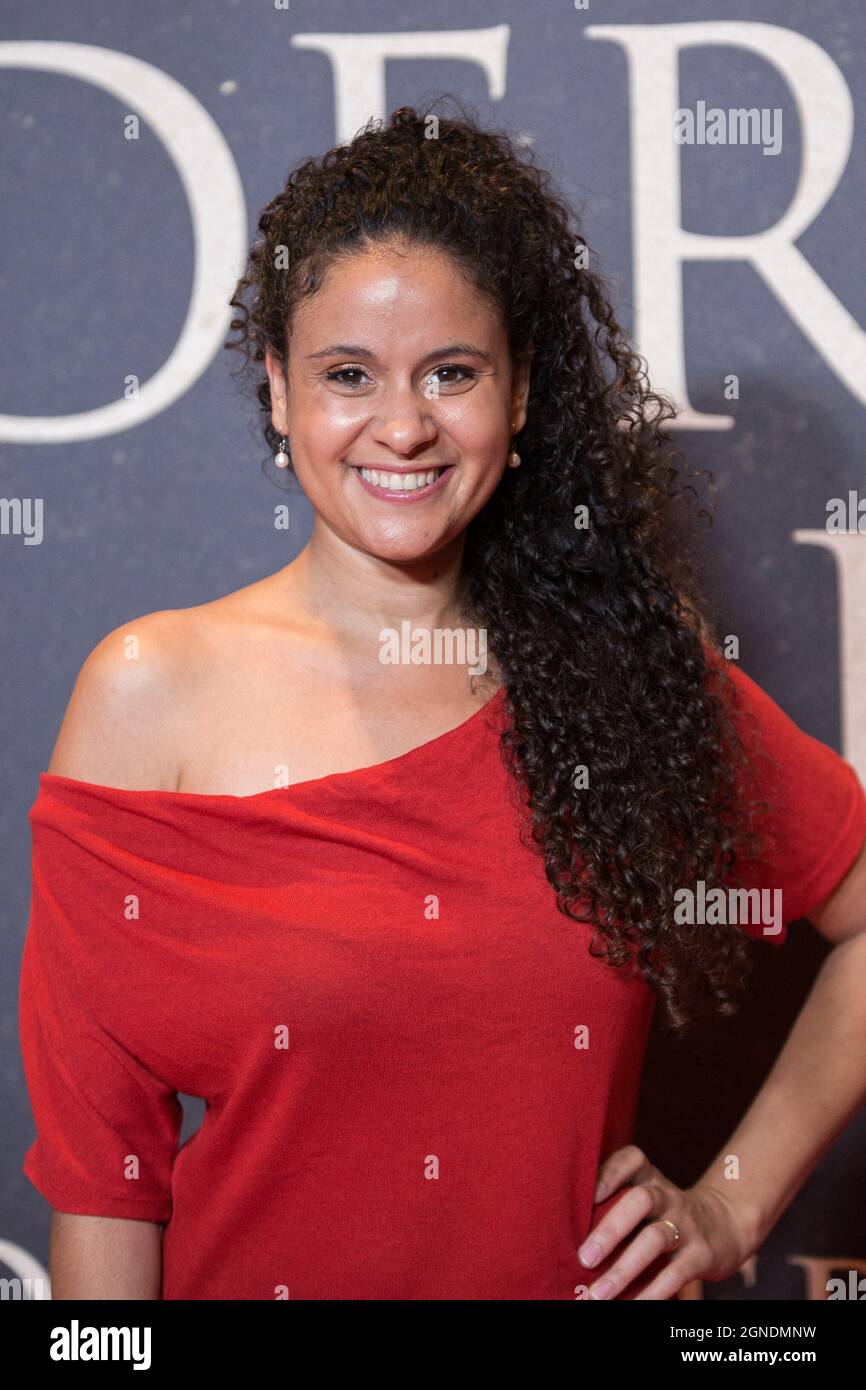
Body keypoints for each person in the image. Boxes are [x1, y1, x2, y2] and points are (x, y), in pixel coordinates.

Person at [19, 102, 866, 1301]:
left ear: (517, 396)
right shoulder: (149, 693)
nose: (403, 426)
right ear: (276, 390)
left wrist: (728, 1203)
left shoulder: (618, 671)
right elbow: (104, 1184)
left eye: (452, 373)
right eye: (347, 375)